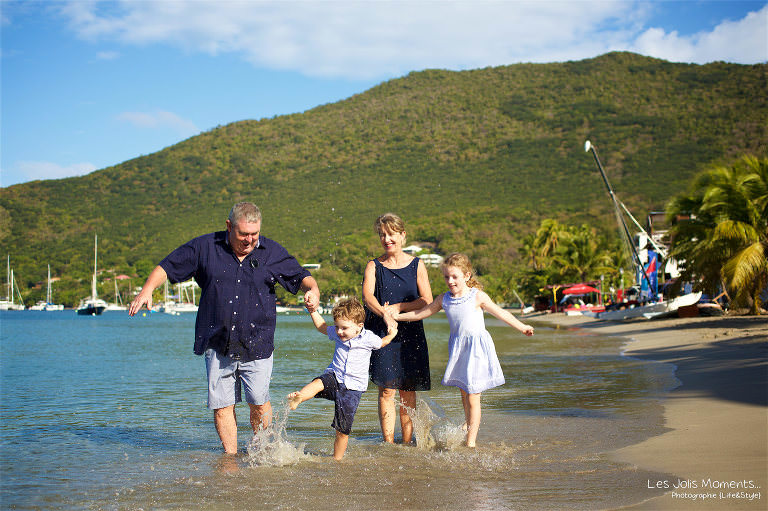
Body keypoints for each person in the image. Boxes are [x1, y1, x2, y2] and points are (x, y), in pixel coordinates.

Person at [128, 202, 320, 454]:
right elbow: (168, 265)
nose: (250, 240)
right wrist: (147, 289)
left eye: (255, 234)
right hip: (217, 343)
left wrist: (313, 289)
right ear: (229, 226)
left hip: (258, 343)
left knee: (259, 403)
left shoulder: (271, 252)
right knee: (222, 406)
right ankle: (229, 459)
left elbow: (301, 275)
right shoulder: (204, 247)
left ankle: (263, 451)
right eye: (243, 234)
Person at [388, 253, 534, 447]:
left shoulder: (477, 296)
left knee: (473, 395)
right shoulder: (444, 299)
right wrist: (397, 316)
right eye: (447, 277)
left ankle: (470, 442)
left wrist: (522, 327)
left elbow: (501, 313)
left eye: (455, 276)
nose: (450, 281)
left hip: (477, 350)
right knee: (464, 392)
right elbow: (420, 314)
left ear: (466, 276)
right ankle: (468, 425)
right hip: (458, 349)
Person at [287, 298, 398, 460]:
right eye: (337, 327)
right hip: (335, 376)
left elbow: (382, 343)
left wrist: (392, 334)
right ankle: (300, 397)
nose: (339, 332)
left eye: (344, 328)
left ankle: (337, 460)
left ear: (359, 326)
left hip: (353, 389)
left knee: (342, 430)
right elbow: (322, 327)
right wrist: (313, 311)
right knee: (318, 382)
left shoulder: (368, 338)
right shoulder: (338, 333)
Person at [363, 213, 433, 444]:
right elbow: (367, 296)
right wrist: (384, 313)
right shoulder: (374, 266)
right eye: (382, 234)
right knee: (386, 391)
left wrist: (398, 308)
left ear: (402, 235)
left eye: (391, 234)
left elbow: (427, 300)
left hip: (411, 335)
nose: (387, 239)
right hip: (383, 334)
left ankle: (407, 442)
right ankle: (389, 444)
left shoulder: (417, 265)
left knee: (407, 390)